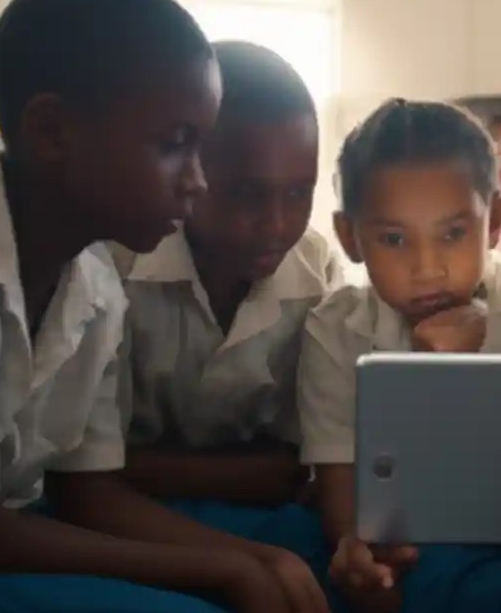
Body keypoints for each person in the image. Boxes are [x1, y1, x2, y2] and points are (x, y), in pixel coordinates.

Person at [0, 0, 324, 613]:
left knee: (282, 577)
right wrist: (231, 572)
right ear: (52, 132)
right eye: (175, 143)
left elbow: (87, 491)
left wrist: (262, 561)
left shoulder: (93, 283)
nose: (197, 179)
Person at [297, 98, 501, 613]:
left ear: (495, 220)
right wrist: (361, 560)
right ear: (348, 237)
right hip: (410, 550)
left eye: (453, 233)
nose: (428, 268)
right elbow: (346, 506)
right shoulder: (336, 330)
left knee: (493, 603)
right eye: (394, 240)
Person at [116, 40, 339, 567]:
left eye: (299, 193)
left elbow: (304, 465)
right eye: (245, 194)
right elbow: (81, 474)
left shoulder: (317, 272)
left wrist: (154, 467)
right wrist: (240, 474)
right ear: (187, 171)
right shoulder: (116, 266)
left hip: (261, 518)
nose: (277, 225)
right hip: (124, 520)